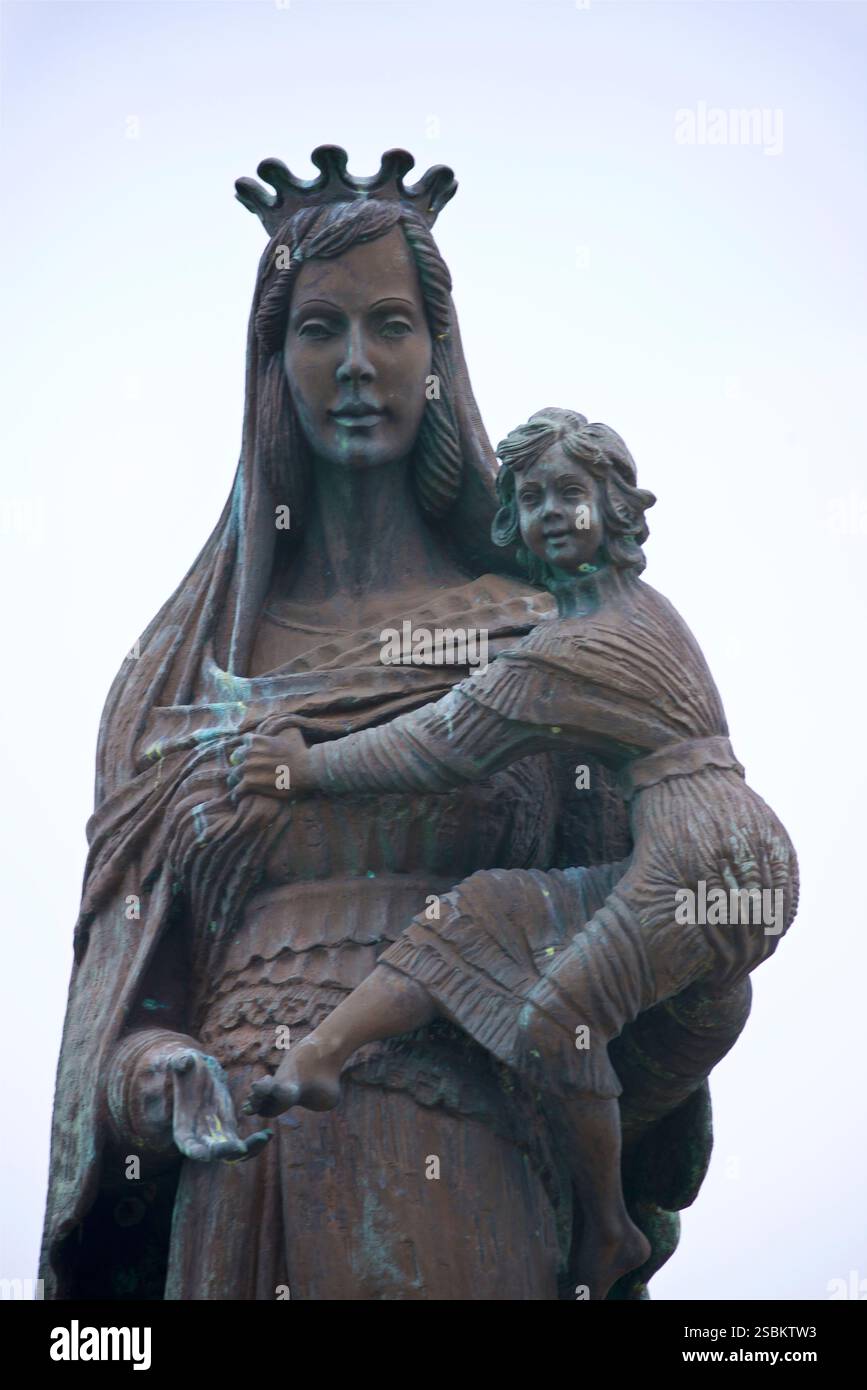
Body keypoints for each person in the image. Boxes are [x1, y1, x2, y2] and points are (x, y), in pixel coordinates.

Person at [234, 407, 799, 1300]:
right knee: (486, 908)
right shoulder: (608, 613)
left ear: (617, 510)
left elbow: (445, 743)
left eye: (571, 493)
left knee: (554, 1021)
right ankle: (319, 1058)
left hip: (715, 855)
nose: (550, 513)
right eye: (530, 498)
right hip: (684, 845)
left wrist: (305, 769)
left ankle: (609, 1228)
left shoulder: (577, 645)